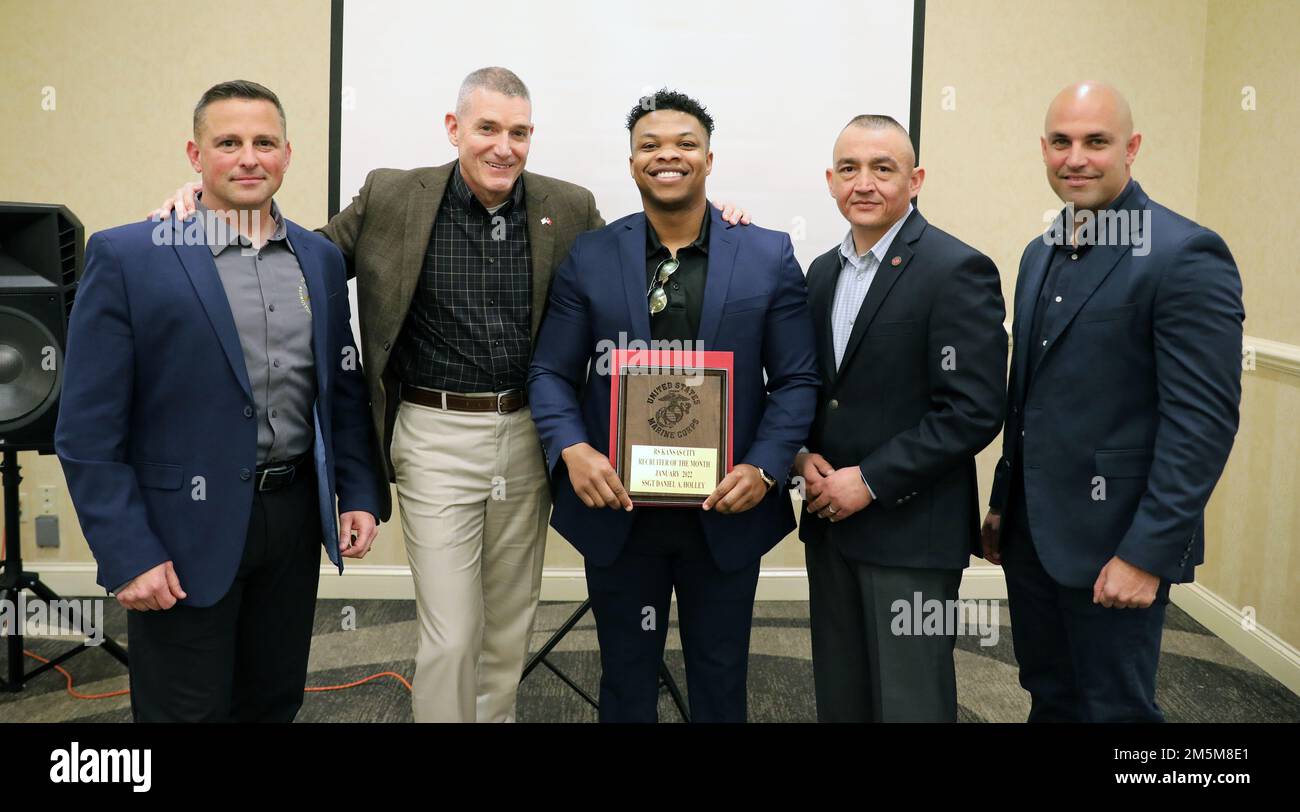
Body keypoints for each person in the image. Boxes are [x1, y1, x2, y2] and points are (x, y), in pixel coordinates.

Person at [156, 67, 748, 722]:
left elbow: (636, 262)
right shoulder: (393, 196)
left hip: (529, 438)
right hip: (432, 434)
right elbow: (302, 259)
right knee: (452, 630)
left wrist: (723, 230)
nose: (504, 146)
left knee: (506, 627)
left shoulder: (568, 206)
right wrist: (211, 205)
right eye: (487, 128)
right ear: (454, 129)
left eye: (519, 132)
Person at [55, 80, 385, 722]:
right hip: (179, 534)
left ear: (288, 154)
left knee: (272, 700)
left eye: (264, 143)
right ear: (195, 154)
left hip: (291, 525)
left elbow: (340, 390)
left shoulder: (318, 259)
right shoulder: (129, 256)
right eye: (228, 143)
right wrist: (128, 553)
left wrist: (361, 493)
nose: (248, 158)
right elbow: (87, 431)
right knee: (187, 712)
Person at [527, 90, 819, 722]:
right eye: (650, 146)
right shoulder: (591, 255)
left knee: (721, 679)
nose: (668, 156)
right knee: (625, 681)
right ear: (632, 163)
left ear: (709, 159)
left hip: (729, 504)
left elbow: (797, 380)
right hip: (619, 506)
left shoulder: (767, 254)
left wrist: (766, 467)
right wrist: (571, 449)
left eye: (685, 144)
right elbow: (550, 370)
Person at [981, 81, 1244, 722]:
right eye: (1062, 142)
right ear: (1043, 150)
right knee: (1049, 695)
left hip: (1116, 545)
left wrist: (1146, 555)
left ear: (1131, 148)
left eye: (1096, 142)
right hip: (1033, 539)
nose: (1077, 158)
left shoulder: (1184, 253)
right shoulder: (1036, 254)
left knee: (1115, 712)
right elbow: (1030, 398)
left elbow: (1201, 424)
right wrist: (1002, 506)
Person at [796, 115, 1007, 722]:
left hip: (910, 533)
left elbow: (972, 410)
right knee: (843, 697)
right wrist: (800, 454)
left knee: (910, 702)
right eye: (849, 169)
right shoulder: (821, 273)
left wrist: (868, 480)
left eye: (882, 168)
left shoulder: (955, 269)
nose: (864, 183)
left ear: (914, 180)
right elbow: (817, 390)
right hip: (829, 525)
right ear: (831, 182)